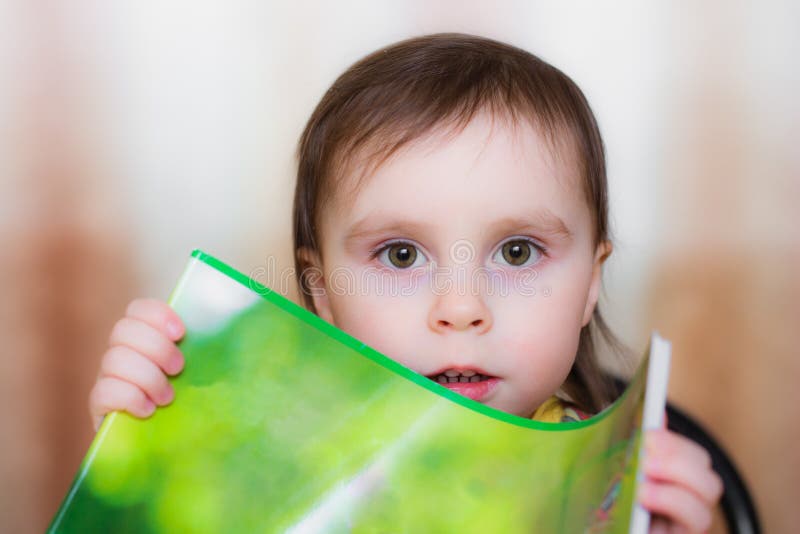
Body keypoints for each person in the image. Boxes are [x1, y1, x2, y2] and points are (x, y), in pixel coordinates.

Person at [88, 33, 723, 532]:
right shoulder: (273, 462)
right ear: (321, 293)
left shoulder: (605, 491)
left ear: (589, 285)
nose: (461, 308)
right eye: (400, 256)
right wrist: (139, 446)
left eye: (518, 251)